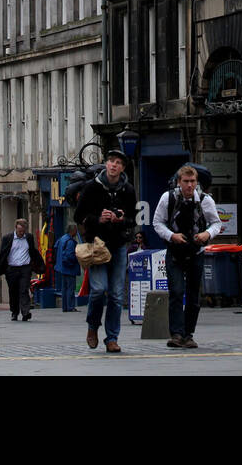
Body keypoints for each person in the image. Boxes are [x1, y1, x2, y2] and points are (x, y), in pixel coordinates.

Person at [73, 150, 137, 353]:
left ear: (122, 168)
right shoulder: (92, 188)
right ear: (106, 164)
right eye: (111, 161)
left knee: (117, 295)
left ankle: (112, 337)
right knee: (99, 289)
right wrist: (98, 218)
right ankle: (93, 326)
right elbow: (78, 215)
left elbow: (133, 220)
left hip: (118, 245)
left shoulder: (127, 190)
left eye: (118, 163)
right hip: (97, 246)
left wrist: (121, 219)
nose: (114, 165)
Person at [153, 165, 222, 349]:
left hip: (196, 252)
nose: (190, 186)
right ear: (179, 182)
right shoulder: (168, 198)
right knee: (176, 292)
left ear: (197, 182)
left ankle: (188, 334)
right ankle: (176, 334)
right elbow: (157, 222)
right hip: (175, 252)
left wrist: (207, 234)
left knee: (193, 295)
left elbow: (216, 223)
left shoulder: (206, 201)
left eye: (193, 182)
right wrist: (171, 236)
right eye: (186, 182)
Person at [0, 218, 45, 321]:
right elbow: (2, 254)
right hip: (11, 268)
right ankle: (14, 312)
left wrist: (37, 265)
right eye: (19, 231)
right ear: (15, 228)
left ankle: (25, 312)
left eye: (23, 231)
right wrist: (1, 268)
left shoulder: (29, 237)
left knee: (24, 290)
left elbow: (32, 251)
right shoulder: (7, 238)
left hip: (25, 268)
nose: (21, 233)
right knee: (13, 291)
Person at [53, 223, 81, 313]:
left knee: (64, 288)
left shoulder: (62, 238)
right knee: (70, 288)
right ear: (72, 231)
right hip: (69, 268)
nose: (77, 232)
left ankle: (65, 307)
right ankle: (70, 307)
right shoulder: (70, 242)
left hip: (62, 268)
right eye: (76, 230)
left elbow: (56, 247)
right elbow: (69, 255)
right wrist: (76, 259)